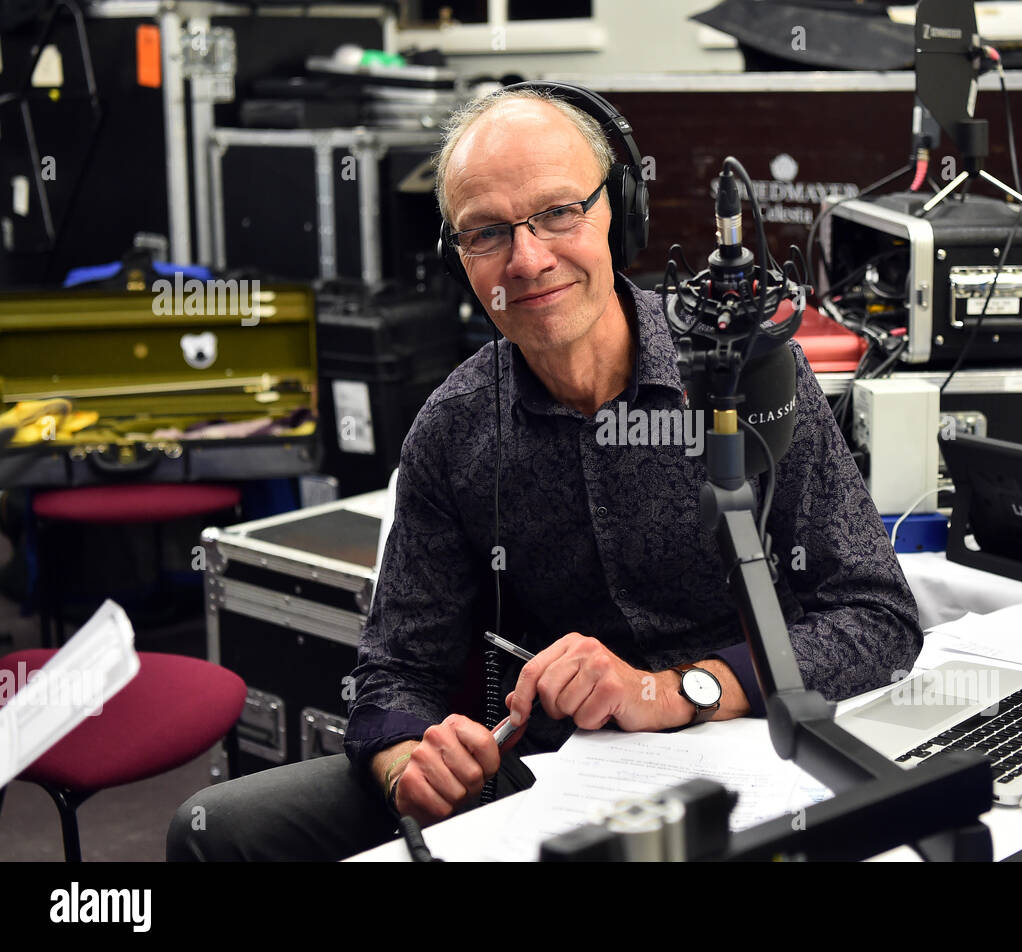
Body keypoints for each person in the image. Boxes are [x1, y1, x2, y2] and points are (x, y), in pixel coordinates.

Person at [167, 86, 921, 862]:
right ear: (457, 256)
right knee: (217, 831)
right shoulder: (452, 429)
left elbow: (879, 620)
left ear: (619, 213)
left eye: (559, 212)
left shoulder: (749, 375)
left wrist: (677, 690)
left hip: (749, 755)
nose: (527, 261)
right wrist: (407, 768)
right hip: (554, 781)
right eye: (488, 232)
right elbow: (394, 673)